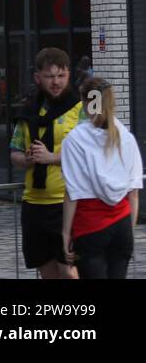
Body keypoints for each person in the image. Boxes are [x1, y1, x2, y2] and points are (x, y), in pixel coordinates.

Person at [10, 46, 83, 279]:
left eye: (61, 75)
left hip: (68, 202)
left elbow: (90, 154)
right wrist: (28, 159)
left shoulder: (80, 108)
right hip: (34, 204)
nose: (56, 82)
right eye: (50, 76)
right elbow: (14, 152)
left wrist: (52, 158)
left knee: (69, 271)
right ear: (37, 77)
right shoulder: (29, 110)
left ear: (69, 75)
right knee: (47, 271)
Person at [60, 77, 142, 279]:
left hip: (90, 225)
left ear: (86, 103)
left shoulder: (75, 140)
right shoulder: (126, 137)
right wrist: (128, 232)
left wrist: (65, 234)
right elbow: (133, 194)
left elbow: (73, 192)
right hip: (122, 223)